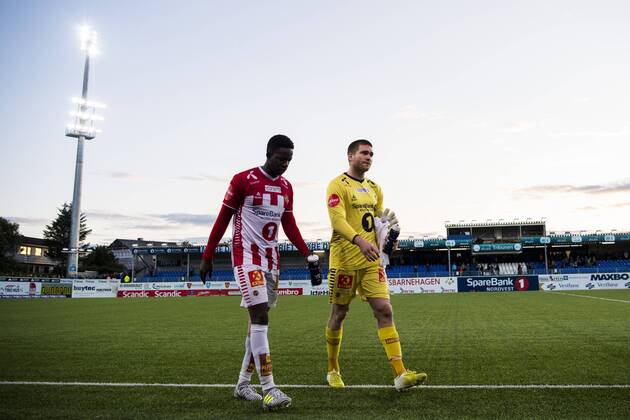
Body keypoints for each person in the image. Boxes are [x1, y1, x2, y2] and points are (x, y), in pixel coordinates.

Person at [199, 135, 321, 411]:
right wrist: (208, 256)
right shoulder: (243, 179)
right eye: (281, 159)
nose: (285, 164)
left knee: (257, 322)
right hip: (246, 258)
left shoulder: (287, 187)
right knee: (260, 315)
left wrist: (307, 253)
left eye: (289, 160)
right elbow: (223, 219)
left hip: (271, 259)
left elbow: (289, 223)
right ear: (268, 154)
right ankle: (269, 389)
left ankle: (243, 385)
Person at [324, 139, 427, 391]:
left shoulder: (374, 188)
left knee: (385, 310)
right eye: (363, 153)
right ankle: (333, 369)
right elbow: (337, 222)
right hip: (345, 260)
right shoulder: (337, 185)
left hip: (372, 261)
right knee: (339, 313)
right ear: (350, 156)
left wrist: (388, 240)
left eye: (371, 154)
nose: (368, 157)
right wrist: (359, 241)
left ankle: (400, 374)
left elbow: (380, 223)